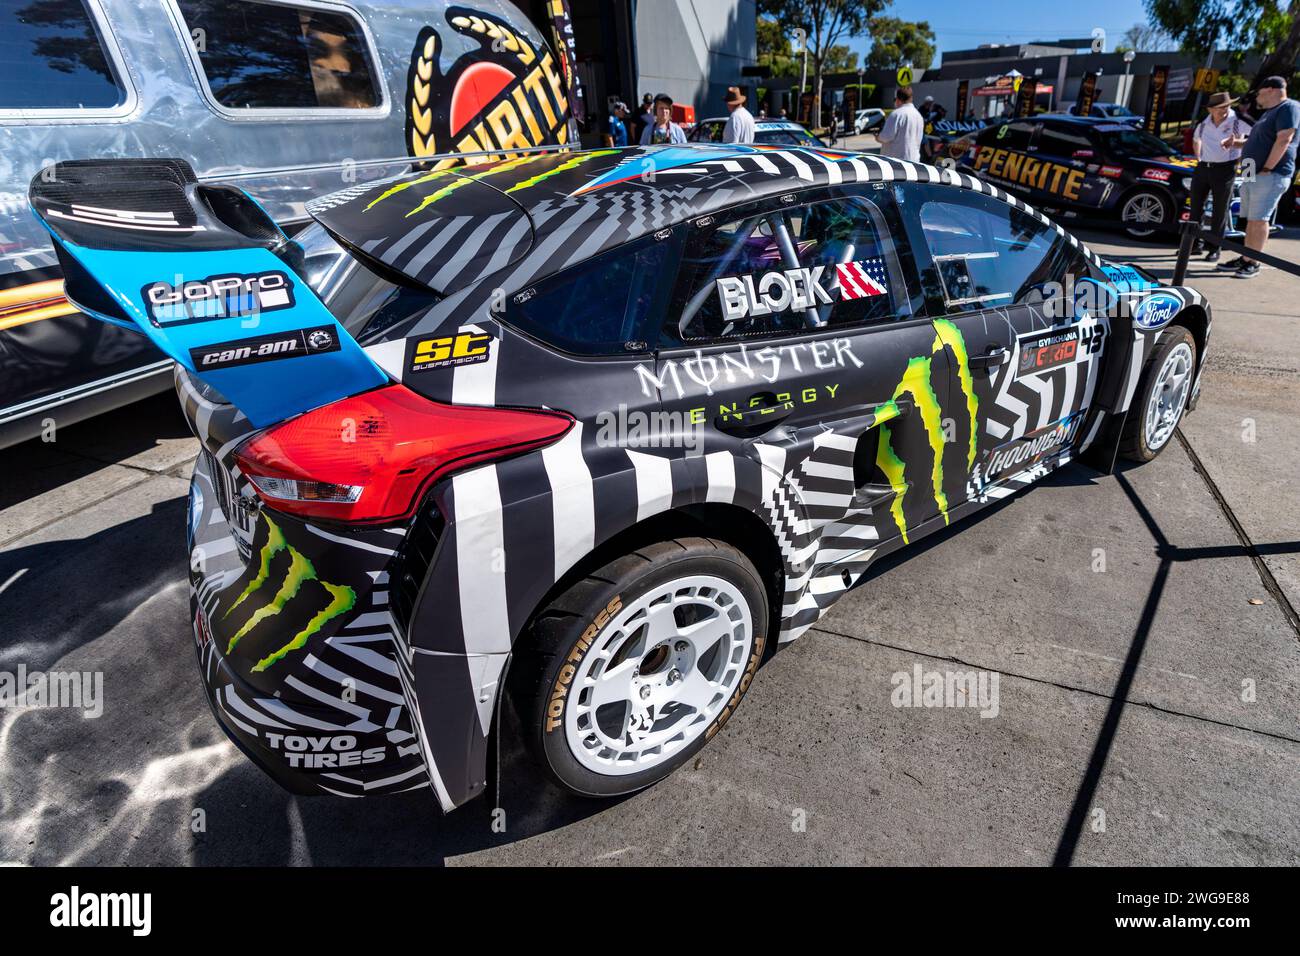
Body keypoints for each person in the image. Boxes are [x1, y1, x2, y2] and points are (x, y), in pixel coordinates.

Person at [1227, 75, 1300, 278]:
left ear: (1270, 90)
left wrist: (1267, 167)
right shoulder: (1269, 113)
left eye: (1259, 93)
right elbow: (1258, 141)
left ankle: (1254, 262)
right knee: (1249, 219)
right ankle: (1245, 257)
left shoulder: (1289, 107)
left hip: (1268, 173)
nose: (1257, 97)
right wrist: (1237, 144)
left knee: (1259, 219)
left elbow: (1285, 138)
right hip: (1251, 171)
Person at [1189, 91, 1247, 262]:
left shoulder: (1238, 121)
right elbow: (1196, 139)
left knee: (1220, 210)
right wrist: (1198, 156)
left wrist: (1237, 144)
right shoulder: (1204, 123)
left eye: (1227, 106)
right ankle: (1194, 245)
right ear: (1210, 109)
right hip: (1203, 167)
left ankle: (1215, 248)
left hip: (1225, 169)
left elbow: (1258, 138)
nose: (1225, 110)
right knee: (1195, 209)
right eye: (1220, 107)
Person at [878, 86, 923, 162]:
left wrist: (878, 137)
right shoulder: (918, 116)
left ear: (898, 100)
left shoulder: (896, 114)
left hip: (896, 162)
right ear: (911, 99)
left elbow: (886, 137)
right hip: (914, 160)